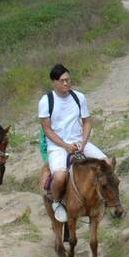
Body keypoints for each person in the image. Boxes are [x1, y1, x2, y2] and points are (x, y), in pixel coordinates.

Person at [39, 64, 109, 224]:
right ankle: (57, 202)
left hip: (79, 142)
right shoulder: (46, 101)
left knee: (107, 163)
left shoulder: (79, 97)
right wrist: (64, 146)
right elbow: (47, 129)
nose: (66, 83)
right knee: (60, 176)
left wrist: (83, 142)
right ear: (54, 82)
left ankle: (105, 197)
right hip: (57, 146)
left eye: (68, 80)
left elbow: (87, 122)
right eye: (63, 81)